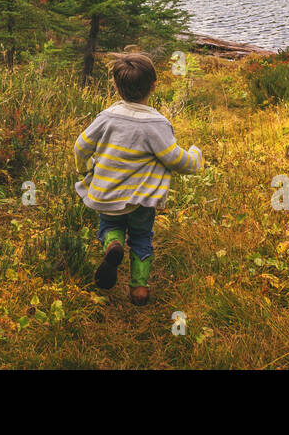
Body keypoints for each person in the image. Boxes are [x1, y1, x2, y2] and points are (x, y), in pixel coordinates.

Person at [72, 52, 204, 305]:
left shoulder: (106, 117)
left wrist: (85, 168)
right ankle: (139, 288)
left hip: (108, 194)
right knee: (142, 237)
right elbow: (175, 159)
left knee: (110, 226)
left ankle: (112, 245)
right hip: (142, 199)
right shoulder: (157, 124)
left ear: (115, 85)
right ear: (154, 85)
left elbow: (81, 147)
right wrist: (196, 157)